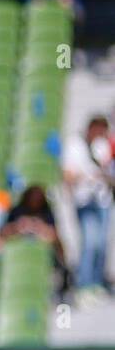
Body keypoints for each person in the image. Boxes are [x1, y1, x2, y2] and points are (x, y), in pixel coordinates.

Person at [61, 116, 113, 294]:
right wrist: (86, 176)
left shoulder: (103, 146)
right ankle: (84, 285)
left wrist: (104, 177)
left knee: (102, 243)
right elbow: (67, 175)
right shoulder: (74, 145)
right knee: (89, 242)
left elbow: (108, 169)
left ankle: (98, 282)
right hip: (83, 200)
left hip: (102, 200)